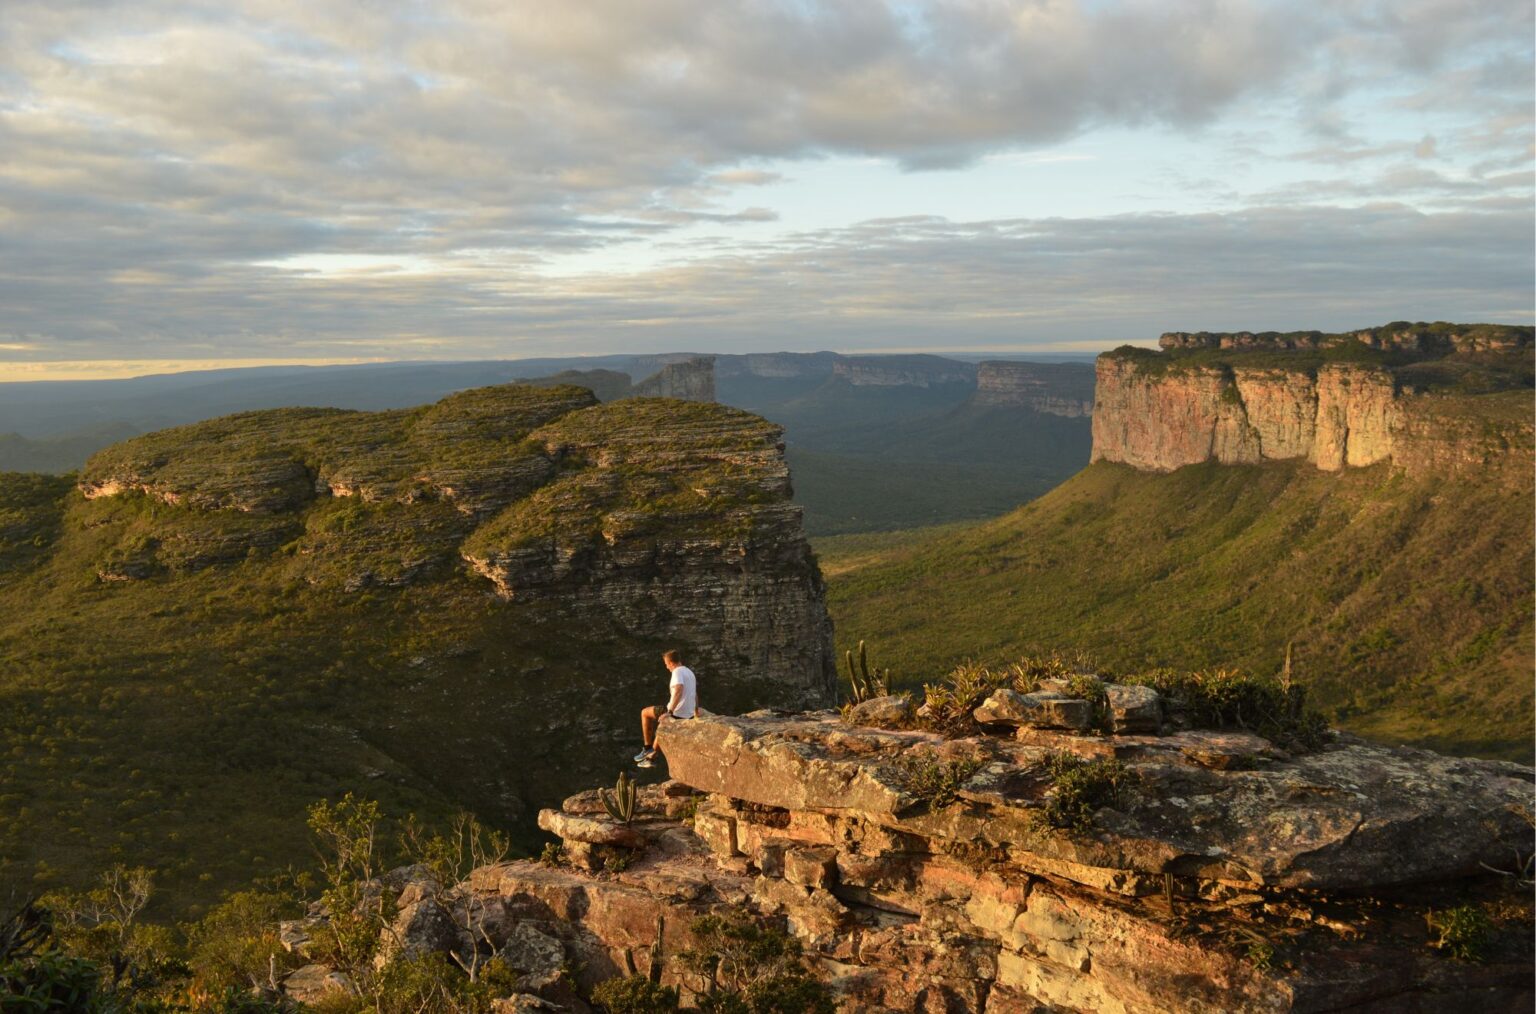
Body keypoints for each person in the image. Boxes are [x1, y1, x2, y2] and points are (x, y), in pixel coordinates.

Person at [635, 649, 697, 768]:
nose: (667, 667)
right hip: (688, 714)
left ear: (671, 663)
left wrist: (669, 712)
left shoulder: (677, 672)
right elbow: (695, 693)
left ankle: (647, 748)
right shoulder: (689, 672)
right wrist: (696, 712)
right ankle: (650, 758)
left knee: (645, 713)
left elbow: (679, 689)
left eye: (666, 664)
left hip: (676, 712)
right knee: (661, 729)